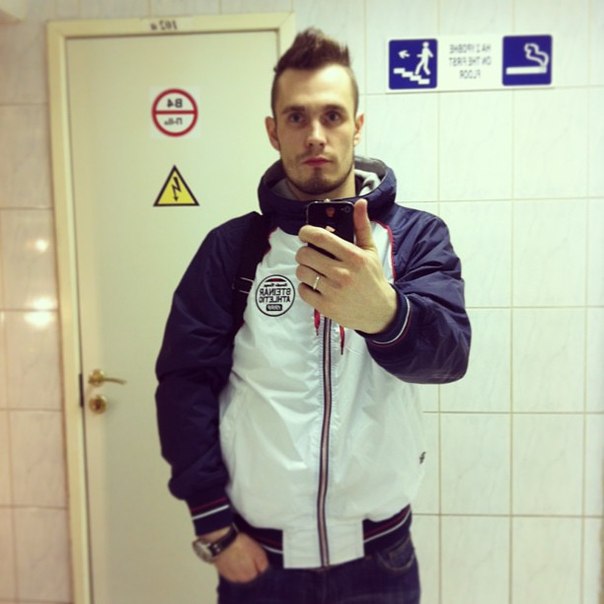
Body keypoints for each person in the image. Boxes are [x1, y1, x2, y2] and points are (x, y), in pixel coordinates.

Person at [155, 28, 471, 604]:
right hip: (261, 562)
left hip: (381, 560)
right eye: (297, 117)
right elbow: (185, 385)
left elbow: (449, 358)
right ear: (273, 130)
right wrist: (213, 525)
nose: (316, 135)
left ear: (357, 125)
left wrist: (386, 314)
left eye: (332, 115)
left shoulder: (415, 237)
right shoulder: (233, 249)